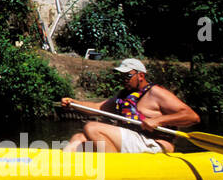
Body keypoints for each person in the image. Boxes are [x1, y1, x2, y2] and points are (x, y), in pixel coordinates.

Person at [60, 58, 199, 153]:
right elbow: (98, 108)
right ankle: (62, 167)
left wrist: (158, 120)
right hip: (134, 141)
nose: (123, 80)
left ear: (141, 76)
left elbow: (192, 117)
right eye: (121, 76)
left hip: (155, 143)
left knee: (92, 127)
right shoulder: (125, 96)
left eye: (127, 76)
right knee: (79, 138)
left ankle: (115, 168)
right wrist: (74, 103)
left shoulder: (156, 93)